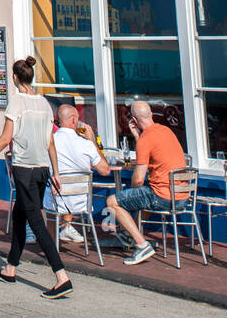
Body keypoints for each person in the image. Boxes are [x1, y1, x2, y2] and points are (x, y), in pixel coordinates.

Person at [0, 56, 72, 299]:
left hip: (24, 169)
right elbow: (50, 142)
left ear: (15, 78)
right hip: (42, 170)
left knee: (36, 222)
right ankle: (10, 268)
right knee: (20, 215)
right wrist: (56, 173)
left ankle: (61, 276)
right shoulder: (44, 104)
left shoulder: (16, 103)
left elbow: (6, 138)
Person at [105, 100, 189, 265]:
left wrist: (130, 195)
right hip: (183, 196)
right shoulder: (166, 131)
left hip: (163, 197)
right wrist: (138, 137)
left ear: (134, 121)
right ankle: (129, 236)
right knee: (144, 194)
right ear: (151, 114)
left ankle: (142, 244)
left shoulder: (146, 140)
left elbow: (137, 179)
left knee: (113, 201)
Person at [46, 104, 111, 242]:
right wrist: (92, 140)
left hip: (57, 200)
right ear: (74, 120)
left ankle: (51, 246)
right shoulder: (85, 144)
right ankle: (66, 228)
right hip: (81, 201)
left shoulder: (49, 141)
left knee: (49, 197)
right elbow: (105, 170)